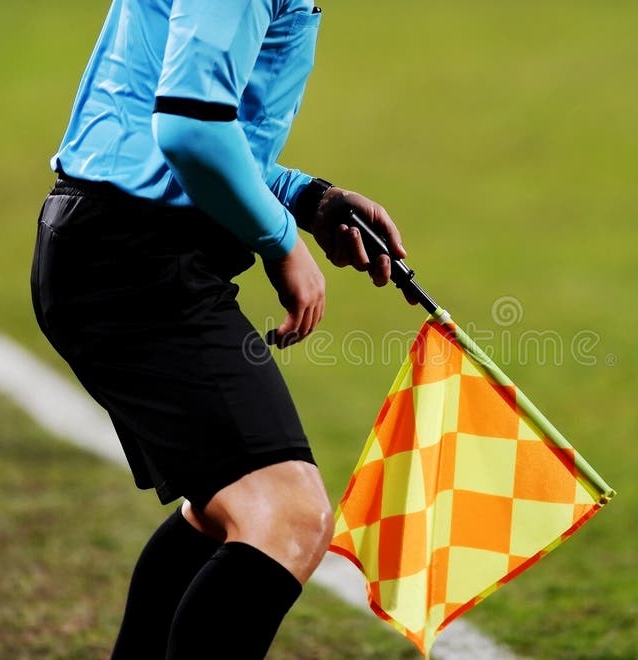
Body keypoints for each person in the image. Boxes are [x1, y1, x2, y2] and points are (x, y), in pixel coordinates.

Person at [30, 0, 409, 657]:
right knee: (286, 515)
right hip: (133, 261)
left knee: (222, 514)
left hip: (128, 250)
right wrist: (280, 239)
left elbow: (191, 115)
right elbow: (189, 130)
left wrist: (306, 199)